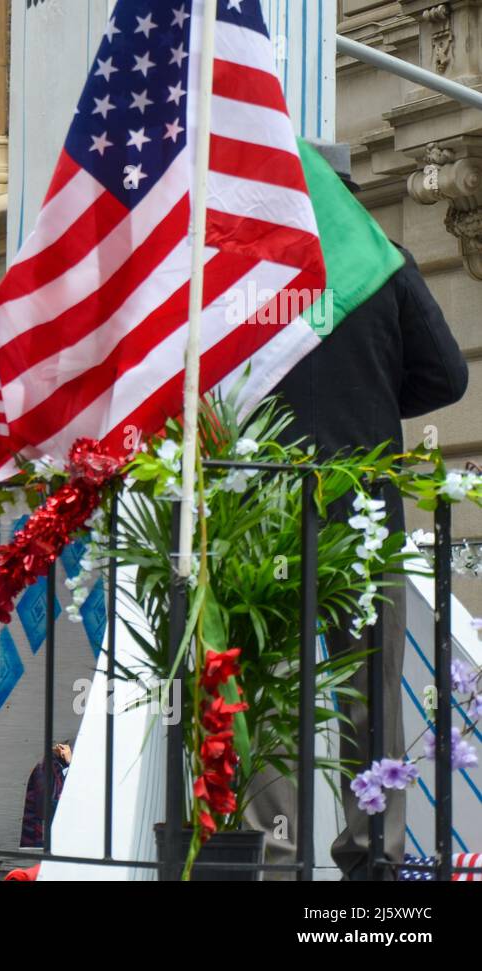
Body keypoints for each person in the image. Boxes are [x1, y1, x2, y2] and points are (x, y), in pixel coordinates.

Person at [242, 140, 469, 879]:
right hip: (364, 510)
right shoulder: (390, 265)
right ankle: (374, 857)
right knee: (369, 696)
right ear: (353, 197)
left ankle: (273, 856)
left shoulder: (256, 272)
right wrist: (374, 410)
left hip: (266, 511)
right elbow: (447, 374)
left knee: (269, 695)